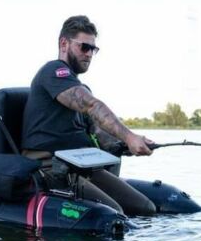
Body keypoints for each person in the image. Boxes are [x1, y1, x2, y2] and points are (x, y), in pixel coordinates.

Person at [21, 15, 157, 216]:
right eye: (84, 47)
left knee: (145, 207)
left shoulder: (79, 86)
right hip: (50, 166)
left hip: (81, 165)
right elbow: (92, 106)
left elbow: (97, 130)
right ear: (64, 43)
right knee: (114, 214)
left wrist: (124, 143)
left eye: (93, 49)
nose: (89, 54)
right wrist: (129, 136)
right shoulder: (53, 72)